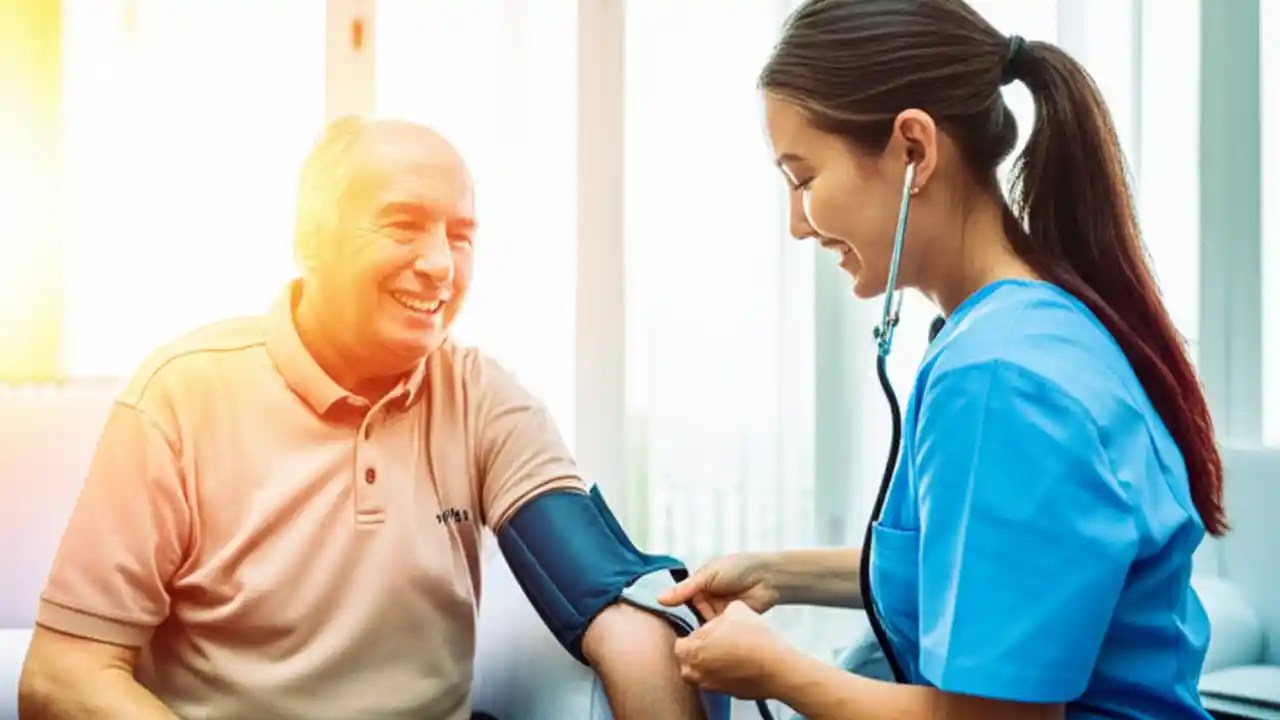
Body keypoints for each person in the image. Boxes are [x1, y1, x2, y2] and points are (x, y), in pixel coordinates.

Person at [18, 117, 706, 720]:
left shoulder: (481, 399)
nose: (440, 263)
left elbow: (614, 603)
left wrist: (643, 627)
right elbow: (63, 676)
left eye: (461, 235)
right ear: (311, 239)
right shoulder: (181, 394)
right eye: (405, 224)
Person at [661, 1, 1226, 718]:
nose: (798, 224)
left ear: (914, 152)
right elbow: (990, 567)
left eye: (803, 180)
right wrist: (776, 573)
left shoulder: (1001, 380)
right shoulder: (1036, 329)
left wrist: (775, 670)